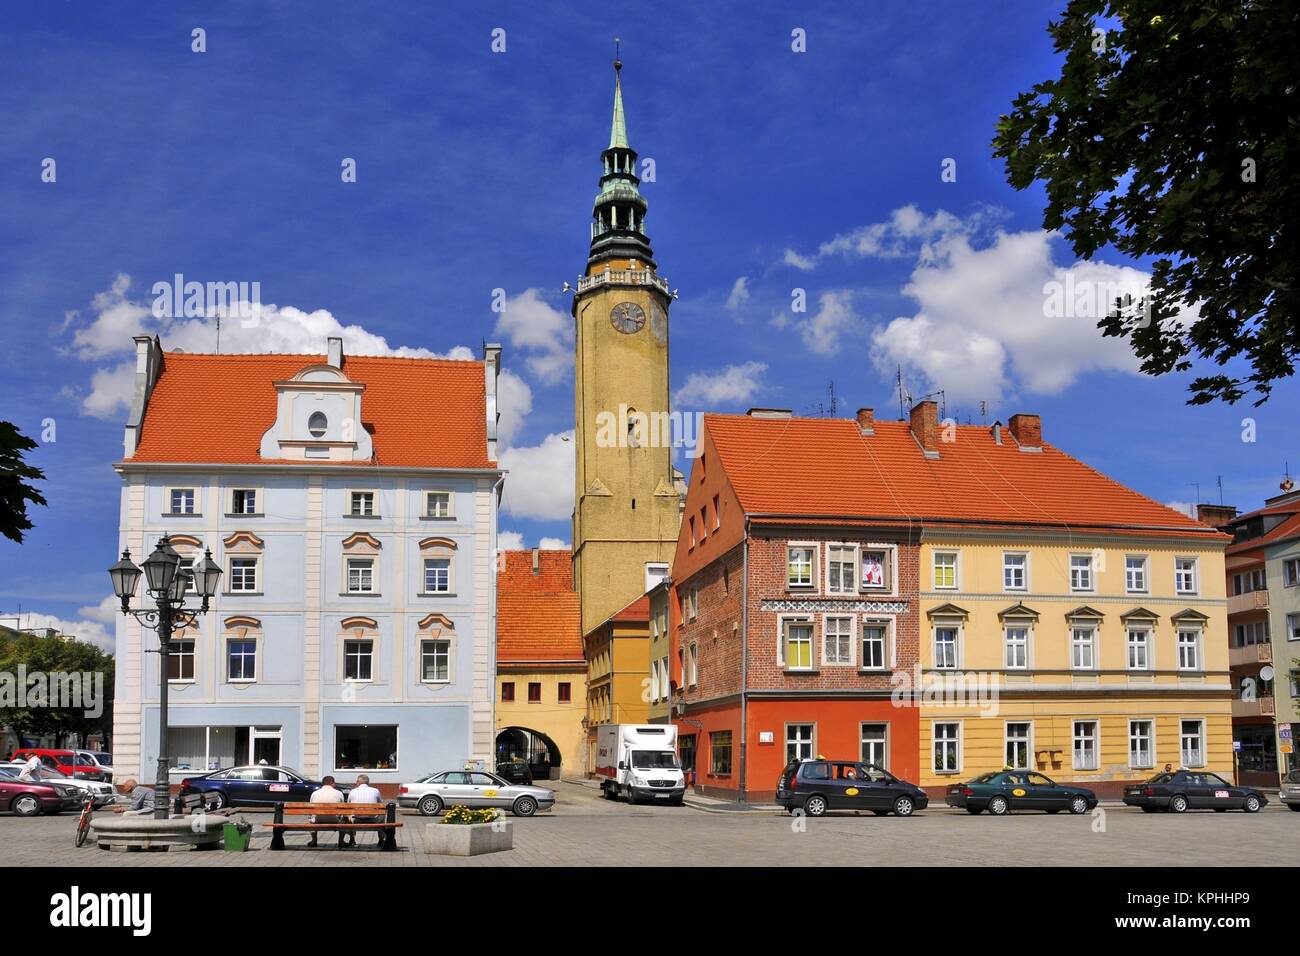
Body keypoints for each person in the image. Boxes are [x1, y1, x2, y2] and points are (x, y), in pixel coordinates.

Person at [344, 774, 383, 847]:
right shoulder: (375, 791)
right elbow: (380, 804)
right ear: (368, 783)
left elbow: (348, 805)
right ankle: (381, 839)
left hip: (356, 820)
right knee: (382, 815)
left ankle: (352, 839)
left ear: (358, 782)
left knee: (349, 815)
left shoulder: (353, 791)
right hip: (373, 819)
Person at [308, 775, 345, 847]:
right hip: (334, 819)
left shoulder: (315, 793)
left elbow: (311, 808)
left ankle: (314, 840)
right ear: (332, 783)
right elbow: (342, 808)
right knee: (345, 821)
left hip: (317, 819)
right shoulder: (338, 793)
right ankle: (341, 841)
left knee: (311, 820)